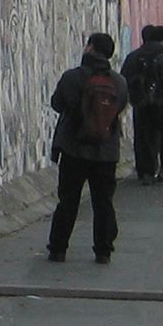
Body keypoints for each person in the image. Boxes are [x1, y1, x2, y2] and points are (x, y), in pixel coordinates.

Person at [45, 31, 126, 263]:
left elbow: (57, 103)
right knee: (103, 202)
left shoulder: (72, 77)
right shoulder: (118, 82)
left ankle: (58, 248)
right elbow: (119, 107)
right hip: (106, 151)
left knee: (68, 200)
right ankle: (103, 250)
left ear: (90, 47)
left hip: (74, 148)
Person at [119, 24, 163, 185]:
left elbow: (123, 78)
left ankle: (146, 172)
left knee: (144, 137)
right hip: (162, 102)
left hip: (140, 103)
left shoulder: (133, 56)